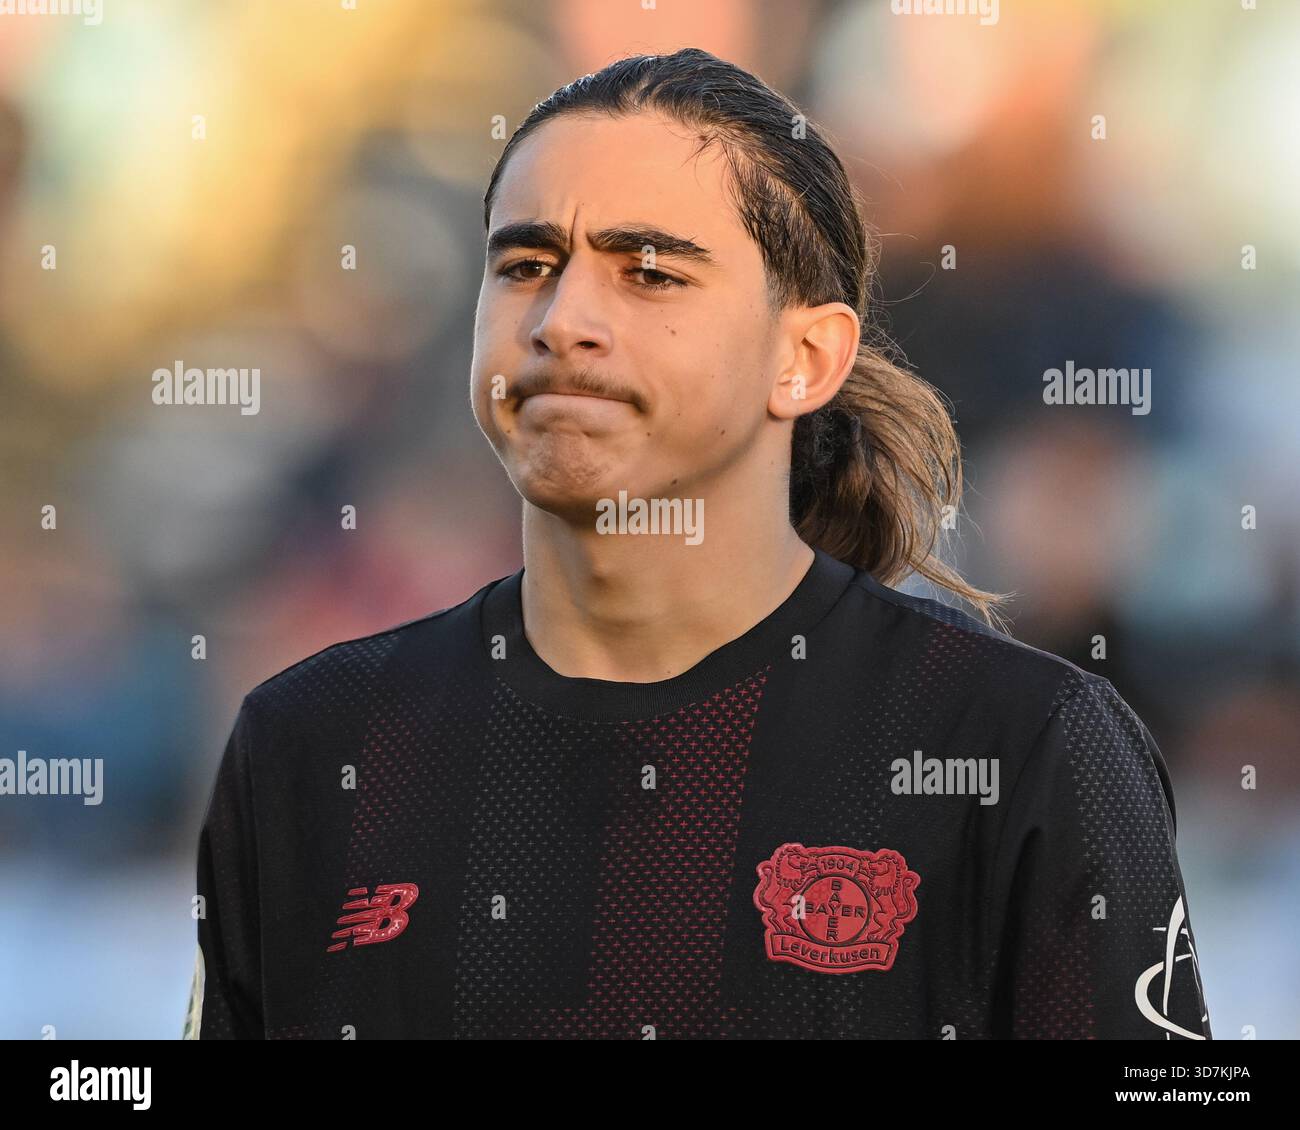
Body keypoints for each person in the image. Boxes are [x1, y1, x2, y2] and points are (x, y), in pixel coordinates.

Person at [188, 48, 1210, 1040]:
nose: (561, 319)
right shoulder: (313, 742)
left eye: (648, 273)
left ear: (805, 357)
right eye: (526, 264)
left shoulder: (1017, 745)